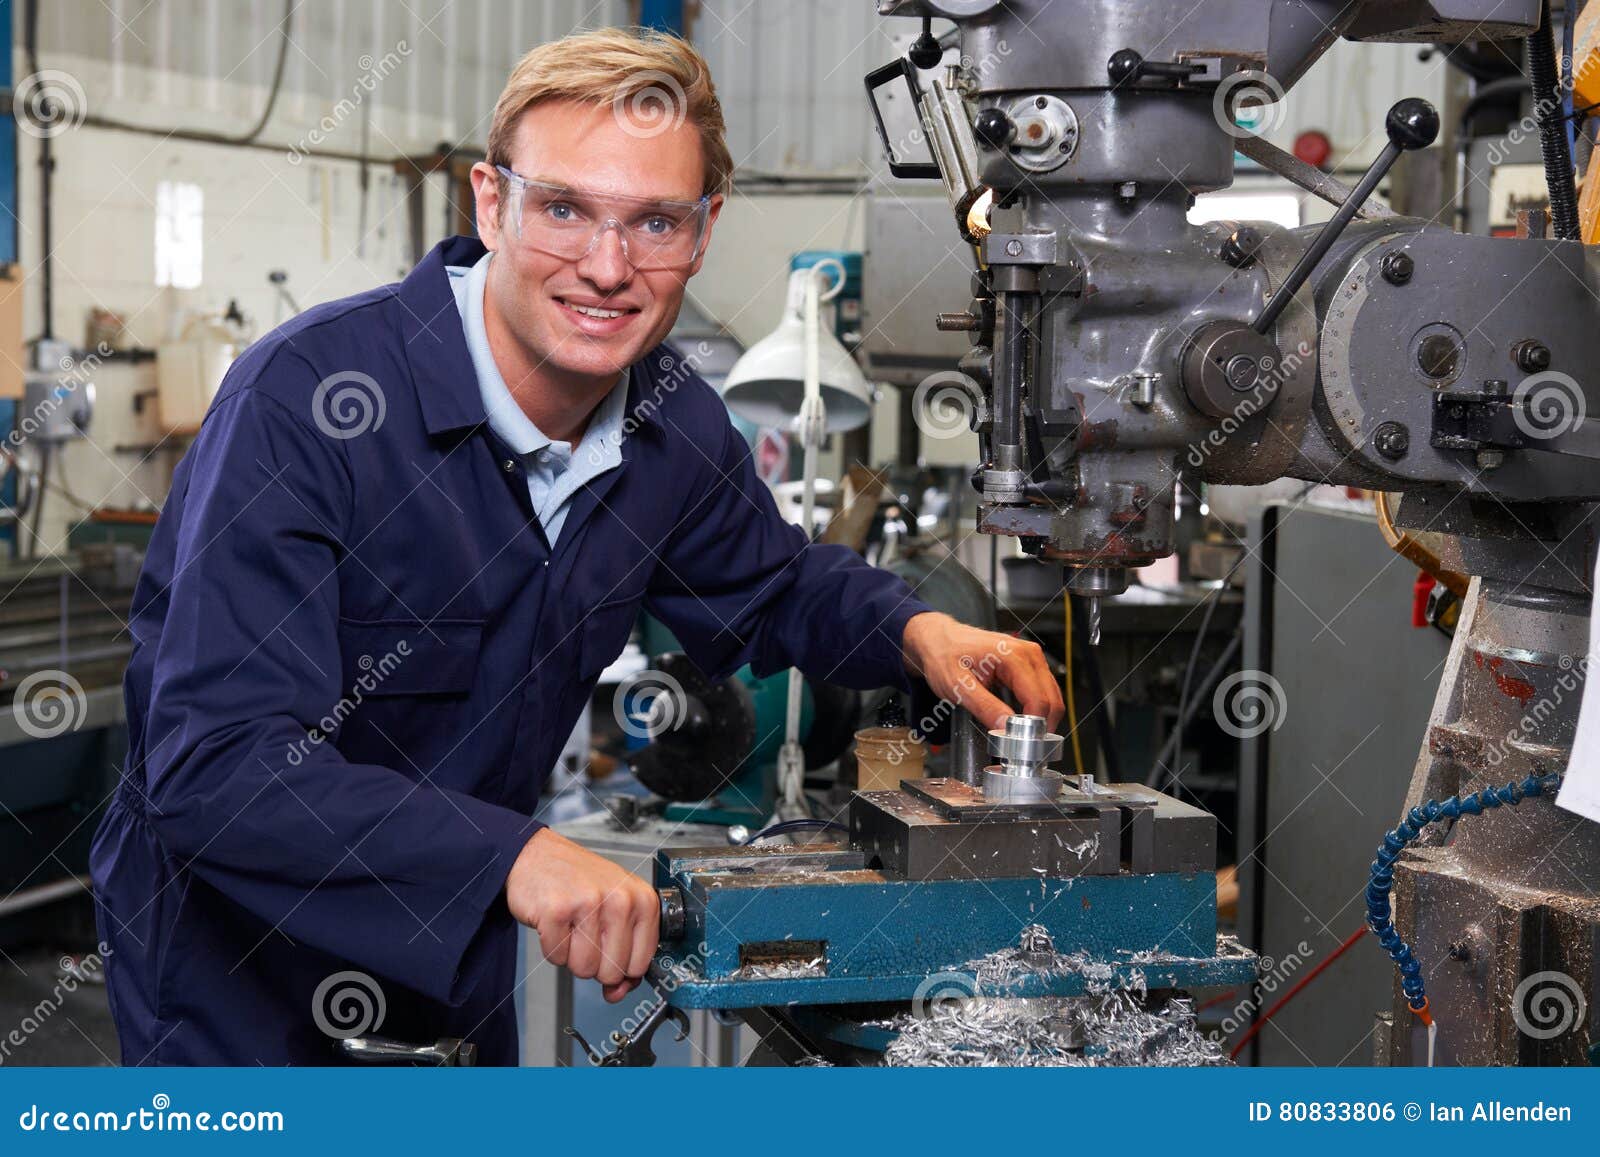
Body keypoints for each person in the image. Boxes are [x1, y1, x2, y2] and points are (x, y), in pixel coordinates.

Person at [91, 26, 1063, 1065]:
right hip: (238, 980)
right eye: (563, 209)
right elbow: (217, 766)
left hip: (451, 958)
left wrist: (917, 629)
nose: (607, 267)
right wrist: (514, 854)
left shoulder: (671, 424)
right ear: (491, 202)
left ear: (703, 229)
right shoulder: (308, 404)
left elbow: (773, 583)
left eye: (654, 221)